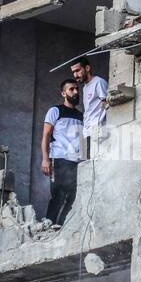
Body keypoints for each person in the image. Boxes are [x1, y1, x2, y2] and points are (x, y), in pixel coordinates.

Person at [41, 79, 84, 227]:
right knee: (58, 195)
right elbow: (46, 136)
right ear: (63, 93)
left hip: (75, 162)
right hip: (58, 158)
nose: (76, 92)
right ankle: (49, 225)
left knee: (73, 197)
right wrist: (45, 159)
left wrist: (83, 159)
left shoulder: (81, 116)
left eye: (77, 89)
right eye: (71, 89)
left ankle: (62, 225)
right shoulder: (55, 111)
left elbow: (83, 139)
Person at [70, 59, 108, 155]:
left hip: (98, 131)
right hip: (87, 132)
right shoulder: (85, 88)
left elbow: (107, 104)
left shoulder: (98, 82)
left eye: (77, 70)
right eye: (73, 72)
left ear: (87, 68)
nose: (75, 75)